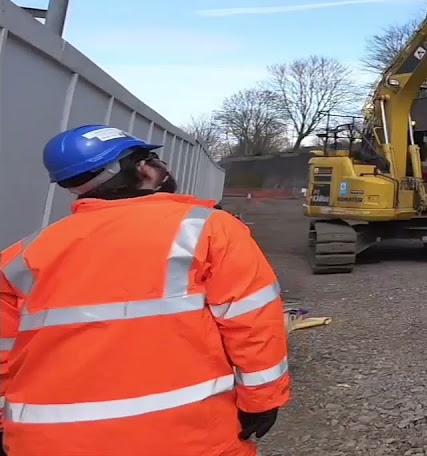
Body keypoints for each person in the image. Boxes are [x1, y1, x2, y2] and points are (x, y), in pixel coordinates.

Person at [0, 125, 291, 456]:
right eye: (154, 158)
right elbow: (252, 321)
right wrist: (262, 399)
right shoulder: (209, 229)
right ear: (144, 169)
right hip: (187, 437)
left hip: (45, 443)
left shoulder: (20, 258)